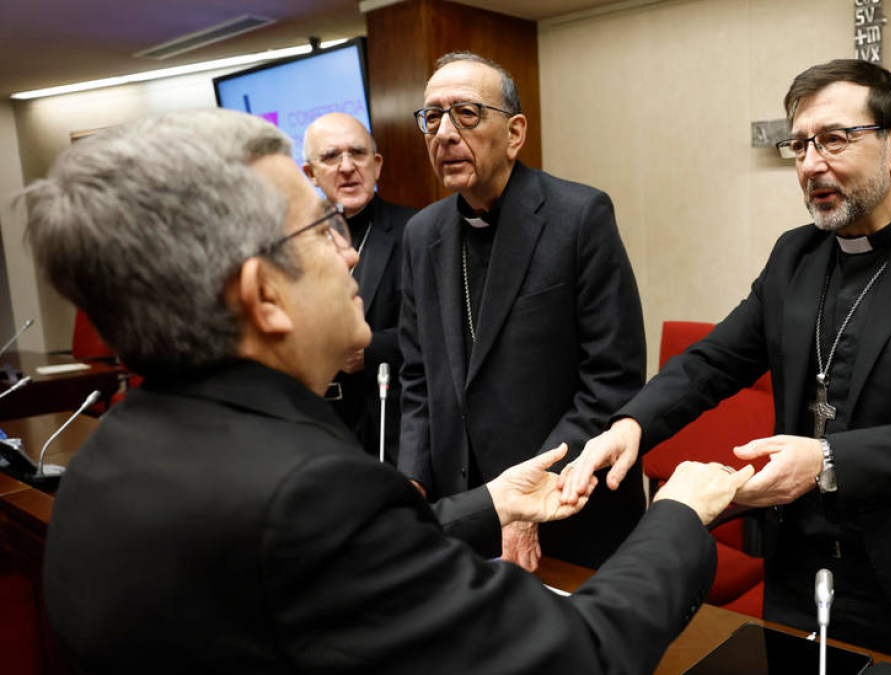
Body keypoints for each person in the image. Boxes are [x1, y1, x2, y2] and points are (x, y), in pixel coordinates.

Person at [27, 109, 754, 673]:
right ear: (265, 296)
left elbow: (321, 575)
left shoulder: (106, 456)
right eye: (321, 227)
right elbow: (578, 655)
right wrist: (680, 516)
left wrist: (492, 499)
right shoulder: (311, 492)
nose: (351, 252)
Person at [563, 59, 891, 673]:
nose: (811, 163)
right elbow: (713, 361)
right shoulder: (795, 255)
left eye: (834, 140)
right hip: (797, 569)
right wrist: (630, 425)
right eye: (799, 144)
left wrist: (828, 462)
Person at [398, 52, 647, 570]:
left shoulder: (579, 216)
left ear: (514, 133)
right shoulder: (422, 233)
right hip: (466, 510)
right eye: (431, 117)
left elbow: (611, 379)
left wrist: (530, 499)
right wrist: (413, 481)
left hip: (569, 508)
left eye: (465, 113)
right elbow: (417, 376)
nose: (444, 133)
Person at [302, 112, 417, 462]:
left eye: (358, 153)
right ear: (311, 174)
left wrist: (370, 351)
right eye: (331, 156)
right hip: (321, 429)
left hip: (395, 424)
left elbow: (446, 334)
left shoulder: (416, 231)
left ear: (377, 164)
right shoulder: (295, 242)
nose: (347, 166)